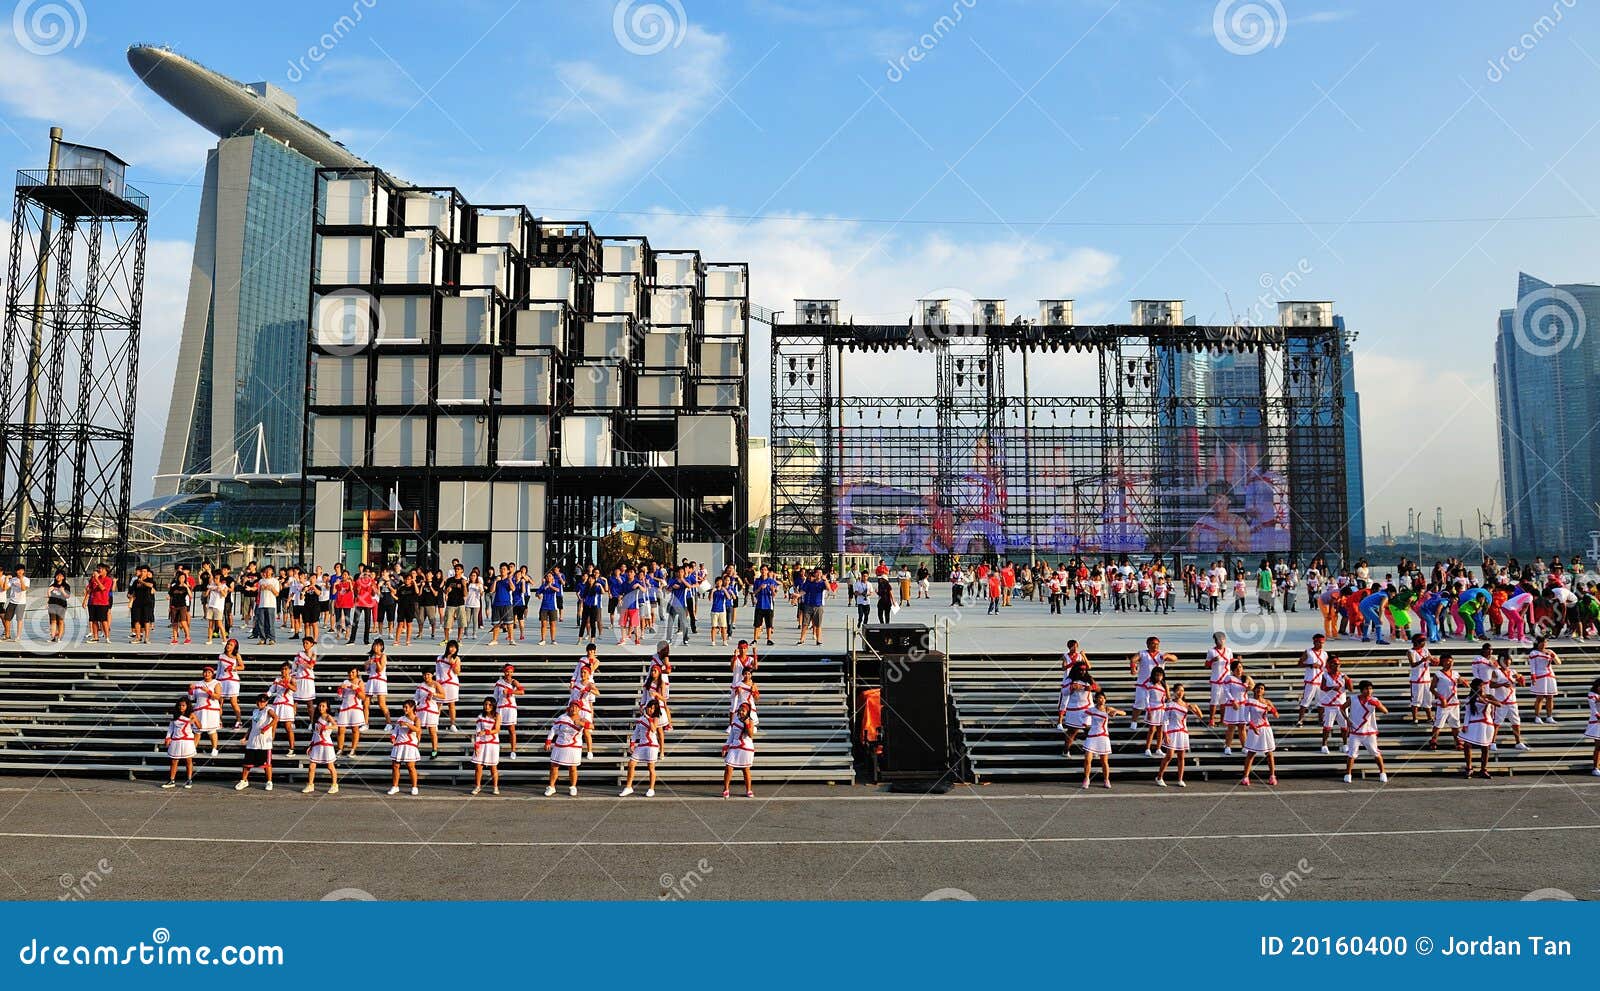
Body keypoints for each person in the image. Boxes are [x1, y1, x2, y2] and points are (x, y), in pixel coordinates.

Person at [1342, 680, 1390, 784]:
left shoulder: (1374, 700)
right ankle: (1348, 774)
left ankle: (1382, 773)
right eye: (1366, 689)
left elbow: (1385, 711)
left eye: (1370, 689)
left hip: (1369, 732)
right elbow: (1342, 708)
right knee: (1352, 754)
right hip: (1355, 731)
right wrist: (1347, 720)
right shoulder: (1353, 699)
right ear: (1361, 690)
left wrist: (1377, 704)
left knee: (1375, 752)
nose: (1369, 691)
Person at [621, 697, 669, 798]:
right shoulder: (641, 719)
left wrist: (647, 716)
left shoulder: (656, 718)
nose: (650, 710)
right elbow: (635, 733)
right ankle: (629, 787)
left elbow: (653, 729)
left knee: (650, 767)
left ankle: (651, 789)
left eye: (653, 709)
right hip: (642, 744)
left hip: (652, 745)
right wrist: (632, 744)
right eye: (649, 708)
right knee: (631, 764)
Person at [1154, 683, 1200, 787]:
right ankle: (1159, 777)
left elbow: (1200, 716)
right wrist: (1165, 734)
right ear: (1174, 692)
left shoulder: (1186, 705)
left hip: (1183, 732)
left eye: (1182, 691)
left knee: (1181, 757)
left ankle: (1180, 779)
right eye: (1178, 690)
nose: (1180, 693)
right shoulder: (1170, 704)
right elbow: (1165, 720)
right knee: (1169, 756)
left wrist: (1196, 707)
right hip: (1172, 732)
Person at [1080, 692, 1126, 789]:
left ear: (1105, 699)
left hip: (1103, 737)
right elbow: (1082, 716)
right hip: (1092, 736)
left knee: (1104, 761)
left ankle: (1106, 779)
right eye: (1099, 698)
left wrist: (1116, 712)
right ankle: (1087, 779)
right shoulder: (1092, 710)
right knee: (1087, 759)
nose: (1101, 700)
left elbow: (1124, 712)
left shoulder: (1108, 709)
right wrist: (1085, 725)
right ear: (1096, 699)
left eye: (1103, 698)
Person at [234, 694, 279, 792]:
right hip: (252, 741)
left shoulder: (268, 710)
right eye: (258, 701)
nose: (260, 703)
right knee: (247, 764)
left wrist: (267, 727)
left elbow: (276, 718)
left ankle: (269, 782)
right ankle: (244, 780)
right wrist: (245, 737)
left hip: (264, 743)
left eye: (262, 701)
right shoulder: (255, 711)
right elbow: (252, 726)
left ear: (266, 702)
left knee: (267, 765)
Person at [1240, 681, 1280, 786]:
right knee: (1251, 754)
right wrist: (1252, 726)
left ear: (1264, 691)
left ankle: (1272, 776)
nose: (1259, 690)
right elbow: (1245, 717)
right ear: (1254, 690)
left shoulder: (1267, 702)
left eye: (1262, 688)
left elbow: (1277, 715)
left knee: (1269, 754)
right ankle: (1245, 777)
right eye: (1258, 688)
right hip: (1254, 729)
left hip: (1266, 729)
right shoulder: (1249, 701)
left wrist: (1271, 709)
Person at [543, 700, 585, 797]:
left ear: (579, 709)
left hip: (574, 746)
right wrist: (548, 741)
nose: (574, 708)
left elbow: (592, 726)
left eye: (576, 707)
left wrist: (582, 723)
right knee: (554, 766)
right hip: (560, 744)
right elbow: (554, 729)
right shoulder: (562, 717)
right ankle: (552, 787)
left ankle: (573, 787)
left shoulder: (582, 719)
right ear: (569, 707)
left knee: (572, 768)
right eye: (572, 706)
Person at [1459, 678, 1498, 779]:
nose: (1482, 687)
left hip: (1487, 724)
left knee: (1485, 747)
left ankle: (1483, 770)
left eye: (1483, 685)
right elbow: (1467, 713)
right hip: (1473, 723)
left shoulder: (1489, 696)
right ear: (1474, 687)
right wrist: (1465, 725)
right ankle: (1469, 768)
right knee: (1467, 745)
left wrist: (1486, 700)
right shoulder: (1470, 698)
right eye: (1479, 686)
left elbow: (1500, 704)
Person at [1426, 653, 1465, 751]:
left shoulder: (1455, 673)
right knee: (1438, 724)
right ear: (1443, 662)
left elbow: (1461, 681)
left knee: (1455, 724)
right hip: (1443, 703)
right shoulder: (1438, 674)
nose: (1450, 663)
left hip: (1454, 702)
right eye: (1448, 661)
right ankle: (1433, 740)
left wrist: (1463, 682)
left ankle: (1457, 741)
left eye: (1452, 661)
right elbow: (1432, 688)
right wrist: (1440, 697)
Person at [303, 700, 341, 795]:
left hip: (326, 744)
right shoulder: (316, 717)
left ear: (327, 707)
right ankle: (310, 784)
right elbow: (315, 733)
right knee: (312, 766)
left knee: (330, 766)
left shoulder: (328, 717)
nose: (321, 708)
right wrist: (311, 745)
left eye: (323, 706)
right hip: (316, 744)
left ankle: (334, 785)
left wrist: (327, 727)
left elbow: (336, 726)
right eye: (320, 706)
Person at [161, 697, 199, 789]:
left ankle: (189, 779)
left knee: (188, 760)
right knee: (174, 761)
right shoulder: (176, 715)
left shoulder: (191, 714)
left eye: (183, 705)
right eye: (180, 705)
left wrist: (193, 720)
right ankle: (172, 780)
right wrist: (167, 738)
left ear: (187, 706)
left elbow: (199, 727)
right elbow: (171, 728)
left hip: (187, 740)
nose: (181, 707)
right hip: (176, 740)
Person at [722, 700, 758, 798]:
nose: (741, 712)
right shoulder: (735, 721)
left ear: (748, 712)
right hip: (735, 746)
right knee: (728, 767)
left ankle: (749, 790)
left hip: (746, 748)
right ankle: (726, 789)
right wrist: (726, 746)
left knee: (746, 769)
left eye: (744, 710)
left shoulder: (751, 722)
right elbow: (732, 735)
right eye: (740, 710)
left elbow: (750, 735)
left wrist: (747, 724)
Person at [387, 699, 422, 796]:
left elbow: (418, 730)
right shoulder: (400, 718)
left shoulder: (416, 719)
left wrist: (407, 724)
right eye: (403, 707)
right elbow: (396, 731)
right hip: (399, 744)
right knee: (395, 766)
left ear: (412, 708)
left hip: (410, 745)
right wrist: (393, 737)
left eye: (406, 707)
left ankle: (414, 787)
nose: (404, 709)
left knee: (410, 767)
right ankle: (395, 786)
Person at [1317, 656, 1351, 754]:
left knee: (1344, 727)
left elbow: (1351, 689)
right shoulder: (1325, 675)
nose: (1337, 666)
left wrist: (1348, 680)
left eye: (1338, 664)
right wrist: (1332, 688)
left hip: (1341, 705)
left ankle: (1345, 744)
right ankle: (1324, 745)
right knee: (1327, 727)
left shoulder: (1343, 676)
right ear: (1330, 664)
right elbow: (1323, 688)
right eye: (1335, 664)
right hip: (1329, 705)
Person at [189, 664, 223, 757]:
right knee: (197, 731)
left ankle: (215, 748)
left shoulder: (216, 683)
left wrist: (208, 691)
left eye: (209, 672)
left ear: (212, 674)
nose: (206, 674)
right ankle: (193, 749)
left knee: (212, 731)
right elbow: (192, 698)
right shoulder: (198, 683)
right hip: (199, 709)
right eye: (205, 672)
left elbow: (217, 696)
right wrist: (190, 690)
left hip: (211, 710)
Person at [471, 698, 502, 796]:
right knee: (478, 766)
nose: (487, 706)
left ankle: (495, 787)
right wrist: (476, 745)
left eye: (489, 705)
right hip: (482, 743)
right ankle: (477, 786)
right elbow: (478, 732)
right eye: (485, 704)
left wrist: (486, 732)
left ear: (493, 706)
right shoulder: (480, 716)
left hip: (493, 744)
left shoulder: (497, 715)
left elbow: (497, 730)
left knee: (493, 767)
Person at [413, 669, 446, 759]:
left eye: (428, 674)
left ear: (432, 675)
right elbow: (416, 698)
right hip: (421, 709)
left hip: (431, 709)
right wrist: (414, 706)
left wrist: (434, 694)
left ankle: (434, 750)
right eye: (424, 674)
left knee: (432, 731)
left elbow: (443, 695)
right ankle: (414, 749)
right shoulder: (420, 686)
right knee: (418, 730)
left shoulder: (436, 684)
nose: (426, 676)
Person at [493, 664, 525, 759]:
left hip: (510, 708)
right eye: (507, 671)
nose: (508, 673)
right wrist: (493, 709)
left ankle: (513, 750)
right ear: (504, 672)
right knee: (496, 729)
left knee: (511, 730)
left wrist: (511, 692)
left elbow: (522, 691)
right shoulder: (499, 682)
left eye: (510, 672)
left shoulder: (514, 681)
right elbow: (495, 697)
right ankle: (494, 749)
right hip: (500, 707)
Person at [1527, 635, 1561, 724]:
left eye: (1545, 642)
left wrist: (1553, 655)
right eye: (1541, 642)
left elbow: (1558, 663)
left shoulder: (1550, 651)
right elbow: (1532, 667)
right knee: (1540, 697)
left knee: (1550, 697)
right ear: (1537, 643)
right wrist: (1533, 676)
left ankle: (1549, 716)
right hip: (1539, 676)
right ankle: (1537, 716)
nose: (1543, 644)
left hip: (1550, 676)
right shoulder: (1533, 653)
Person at [335, 667, 367, 756]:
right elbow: (339, 696)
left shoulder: (360, 682)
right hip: (345, 706)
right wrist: (340, 689)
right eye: (349, 672)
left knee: (355, 729)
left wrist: (356, 689)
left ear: (357, 672)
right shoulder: (345, 682)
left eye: (353, 672)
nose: (351, 674)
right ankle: (340, 749)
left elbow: (363, 697)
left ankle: (353, 750)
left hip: (355, 708)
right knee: (341, 729)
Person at [268, 662, 298, 755]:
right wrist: (266, 695)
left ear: (289, 670)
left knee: (288, 727)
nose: (283, 671)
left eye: (285, 669)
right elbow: (271, 690)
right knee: (273, 726)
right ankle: (268, 748)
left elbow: (294, 689)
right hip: (277, 704)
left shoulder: (292, 679)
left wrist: (286, 684)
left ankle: (292, 749)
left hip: (287, 705)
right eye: (282, 669)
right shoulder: (277, 679)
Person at [291, 637, 318, 738]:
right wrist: (293, 676)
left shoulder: (313, 654)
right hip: (299, 678)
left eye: (307, 643)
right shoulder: (299, 654)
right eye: (304, 643)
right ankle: (292, 721)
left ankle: (312, 722)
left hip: (308, 680)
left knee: (309, 703)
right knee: (295, 702)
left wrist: (302, 662)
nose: (305, 645)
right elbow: (294, 666)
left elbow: (311, 666)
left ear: (311, 644)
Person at [1205, 631, 1233, 726]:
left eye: (1222, 639)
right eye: (1218, 640)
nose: (1220, 641)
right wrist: (1213, 660)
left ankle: (1223, 720)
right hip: (1216, 679)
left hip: (1226, 679)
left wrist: (1238, 660)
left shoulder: (1229, 650)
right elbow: (1206, 665)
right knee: (1214, 700)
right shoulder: (1211, 651)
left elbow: (1232, 662)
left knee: (1224, 701)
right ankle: (1211, 720)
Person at [435, 640, 463, 732]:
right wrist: (438, 683)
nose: (452, 649)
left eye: (454, 647)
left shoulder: (457, 658)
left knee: (451, 704)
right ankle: (435, 723)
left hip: (452, 684)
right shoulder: (439, 658)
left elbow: (457, 672)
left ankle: (452, 724)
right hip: (441, 683)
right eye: (451, 647)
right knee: (438, 704)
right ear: (447, 647)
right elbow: (438, 671)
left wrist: (453, 663)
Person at [217, 637, 245, 728]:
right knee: (220, 702)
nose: (228, 646)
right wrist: (216, 681)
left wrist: (233, 668)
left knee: (233, 702)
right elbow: (219, 669)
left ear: (234, 647)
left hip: (233, 680)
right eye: (228, 644)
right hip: (222, 680)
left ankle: (239, 720)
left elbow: (242, 667)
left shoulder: (237, 655)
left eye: (231, 645)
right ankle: (219, 721)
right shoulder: (221, 656)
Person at [1405, 633, 1433, 723]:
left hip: (1427, 679)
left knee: (1428, 699)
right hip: (1417, 680)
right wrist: (1422, 660)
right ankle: (1415, 718)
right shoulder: (1411, 652)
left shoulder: (1425, 650)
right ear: (1416, 642)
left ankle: (1429, 717)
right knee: (1416, 699)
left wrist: (1434, 661)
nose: (1424, 643)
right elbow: (1412, 664)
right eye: (1422, 641)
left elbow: (1431, 659)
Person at [84, 565, 114, 643]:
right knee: (93, 620)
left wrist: (97, 579)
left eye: (101, 569)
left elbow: (103, 588)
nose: (99, 570)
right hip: (93, 602)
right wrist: (85, 600)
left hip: (103, 603)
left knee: (103, 620)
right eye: (99, 569)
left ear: (106, 571)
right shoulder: (93, 579)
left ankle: (107, 637)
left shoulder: (108, 579)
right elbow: (89, 589)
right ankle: (95, 637)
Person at [363, 639, 390, 728]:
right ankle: (365, 723)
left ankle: (388, 723)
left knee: (381, 704)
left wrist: (376, 661)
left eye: (378, 645)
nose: (376, 647)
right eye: (374, 645)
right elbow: (367, 670)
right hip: (371, 680)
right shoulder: (371, 656)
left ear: (381, 647)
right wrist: (367, 663)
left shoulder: (383, 656)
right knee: (366, 703)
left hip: (380, 681)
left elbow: (380, 669)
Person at [751, 565, 779, 646]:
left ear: (767, 571)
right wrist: (760, 588)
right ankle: (755, 639)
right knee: (757, 624)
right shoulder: (757, 581)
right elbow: (754, 593)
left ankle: (769, 639)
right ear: (760, 571)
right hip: (759, 605)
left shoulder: (771, 581)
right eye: (762, 570)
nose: (763, 571)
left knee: (768, 624)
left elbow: (774, 595)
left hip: (768, 605)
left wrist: (772, 590)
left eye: (765, 570)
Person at [45, 572, 71, 643]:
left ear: (63, 577)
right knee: (53, 621)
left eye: (60, 575)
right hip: (52, 605)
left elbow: (67, 596)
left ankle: (59, 637)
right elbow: (49, 596)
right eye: (57, 575)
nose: (58, 577)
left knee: (60, 621)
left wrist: (62, 591)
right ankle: (53, 637)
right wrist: (48, 592)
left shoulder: (66, 585)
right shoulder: (53, 585)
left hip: (61, 605)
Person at [1584, 676, 1600, 777]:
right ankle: (1595, 767)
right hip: (1596, 722)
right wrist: (1599, 716)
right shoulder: (1592, 694)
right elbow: (1593, 709)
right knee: (1598, 746)